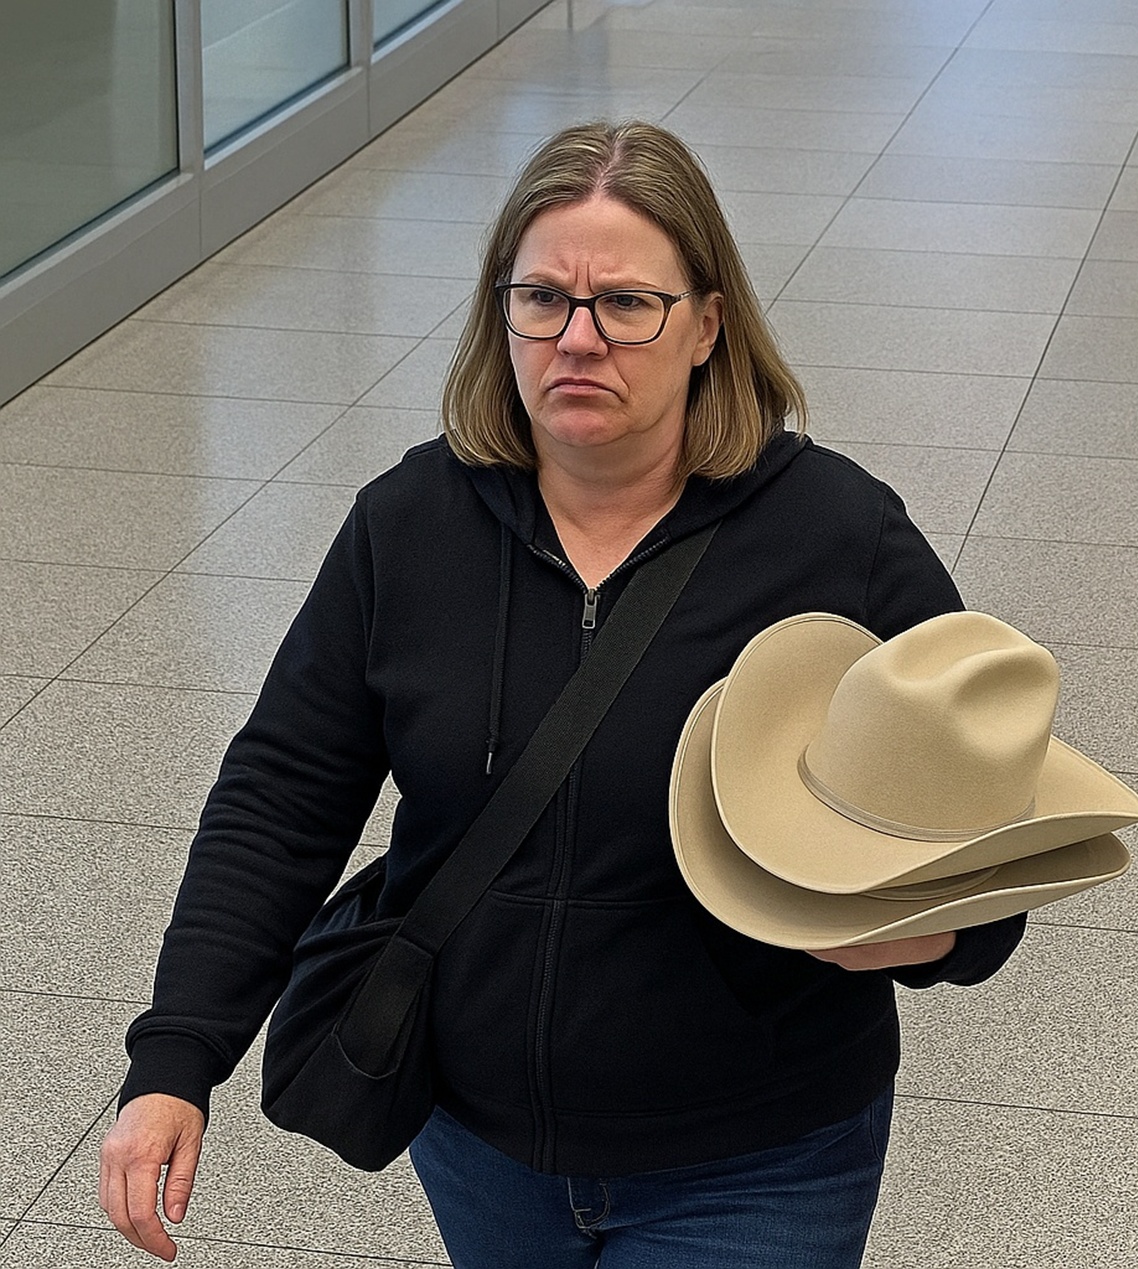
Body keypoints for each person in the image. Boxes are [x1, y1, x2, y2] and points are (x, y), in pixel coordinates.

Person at [99, 119, 1025, 1268]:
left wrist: (941, 936)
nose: (579, 339)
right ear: (503, 316)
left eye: (628, 304)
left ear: (707, 325)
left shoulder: (837, 535)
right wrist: (176, 1057)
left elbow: (991, 824)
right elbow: (283, 796)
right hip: (478, 1145)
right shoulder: (410, 526)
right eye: (542, 299)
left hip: (760, 1156)